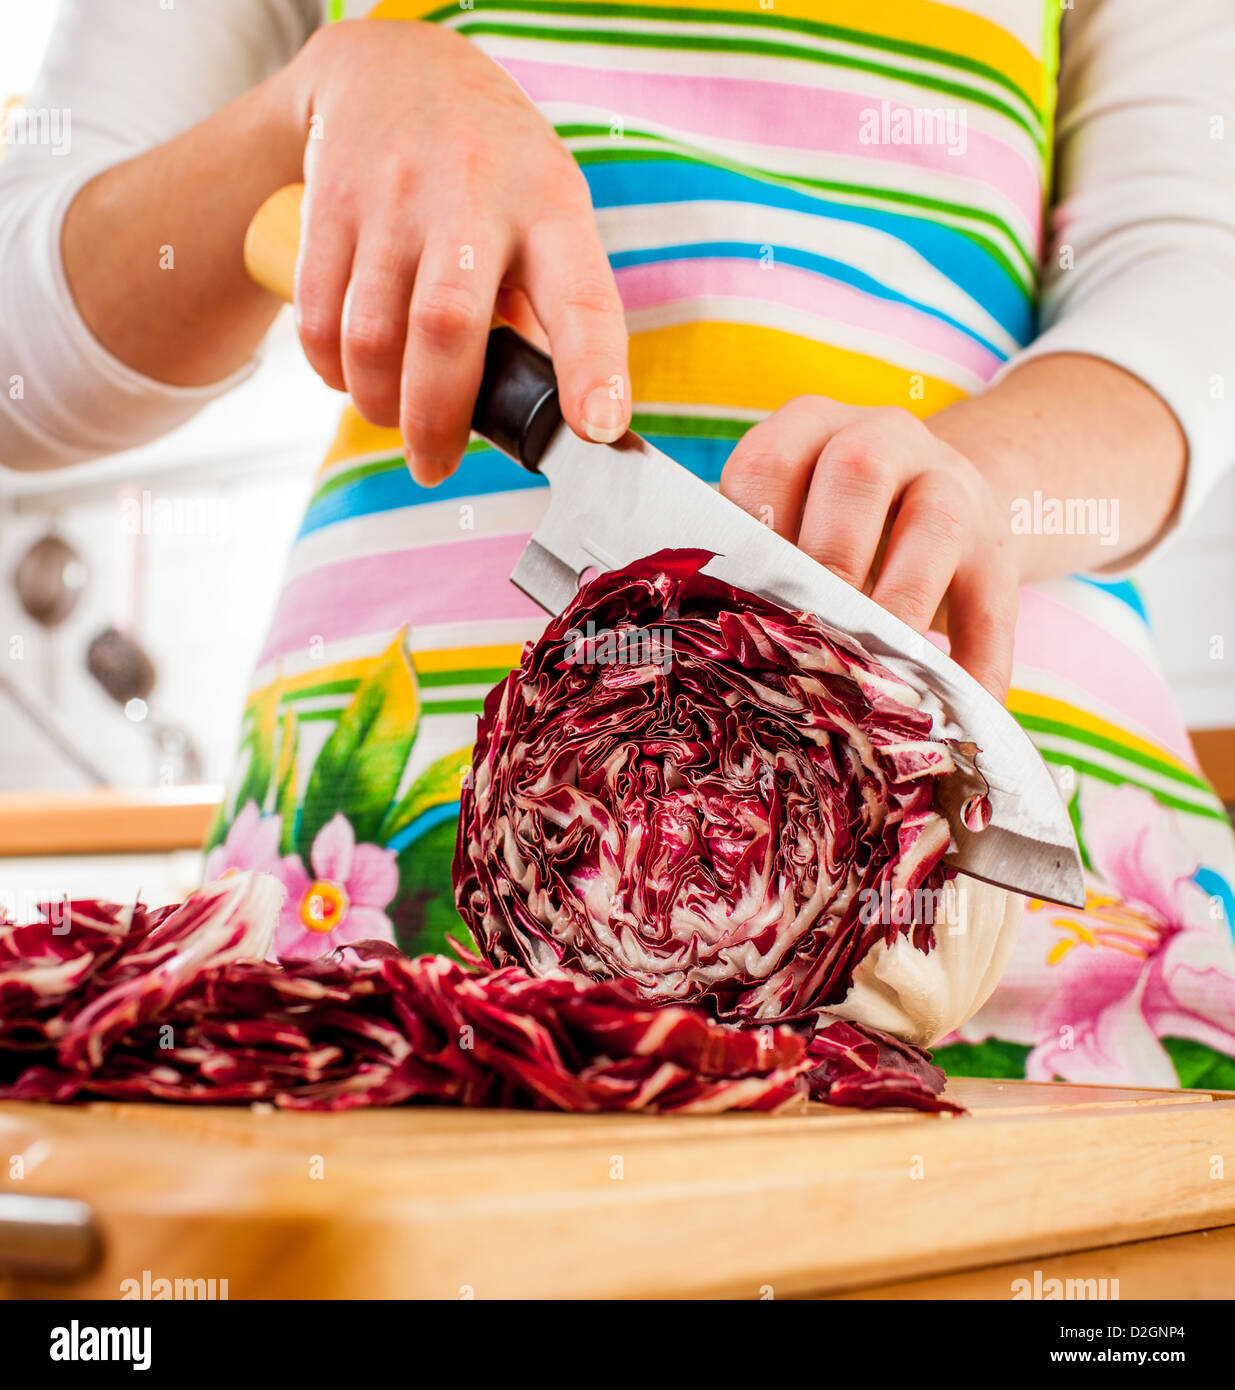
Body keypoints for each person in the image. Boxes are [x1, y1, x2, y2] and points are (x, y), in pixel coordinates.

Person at [2, 0, 1234, 1087]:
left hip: (1020, 944)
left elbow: (1187, 268)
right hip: (387, 930)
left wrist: (980, 478)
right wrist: (310, 103)